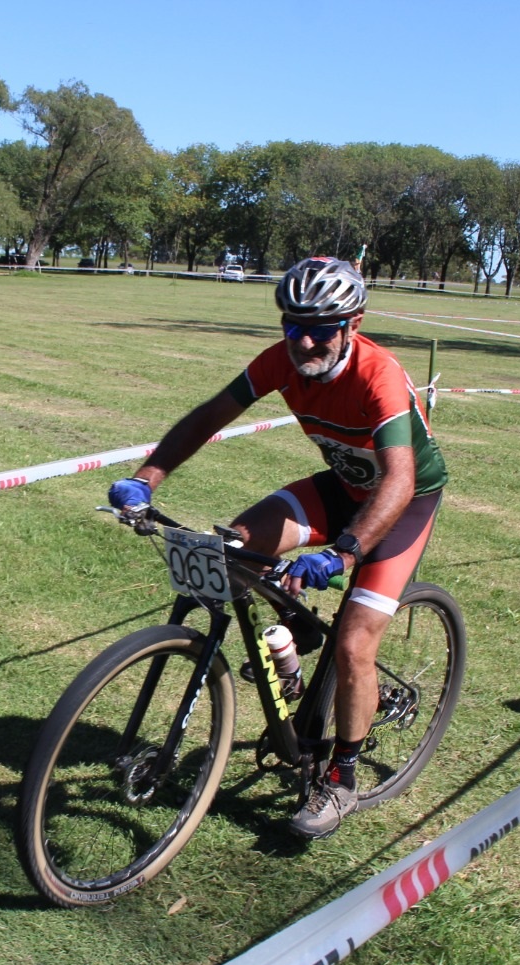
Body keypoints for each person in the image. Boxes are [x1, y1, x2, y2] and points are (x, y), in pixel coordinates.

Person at [107, 257, 448, 840]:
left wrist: (343, 555)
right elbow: (208, 417)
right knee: (234, 547)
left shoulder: (379, 375)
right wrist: (147, 477)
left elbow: (398, 481)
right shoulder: (279, 362)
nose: (305, 340)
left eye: (321, 327)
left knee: (354, 641)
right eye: (294, 325)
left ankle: (340, 779)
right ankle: (295, 626)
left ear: (353, 323)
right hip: (341, 488)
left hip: (401, 502)